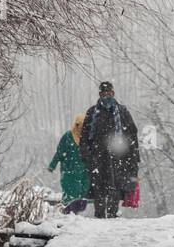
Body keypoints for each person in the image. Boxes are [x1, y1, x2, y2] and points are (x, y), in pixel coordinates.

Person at [79, 81, 139, 218]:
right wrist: (87, 155)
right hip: (97, 156)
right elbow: (84, 137)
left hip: (118, 157)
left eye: (109, 92)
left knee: (115, 186)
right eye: (103, 93)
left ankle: (112, 214)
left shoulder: (122, 112)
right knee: (98, 186)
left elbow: (132, 133)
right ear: (100, 94)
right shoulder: (93, 112)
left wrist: (131, 155)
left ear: (113, 93)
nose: (106, 95)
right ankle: (99, 215)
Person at [48, 114, 90, 214]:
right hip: (69, 172)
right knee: (70, 195)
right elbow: (59, 152)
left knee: (82, 196)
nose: (82, 128)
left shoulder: (88, 138)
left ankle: (75, 218)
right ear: (76, 125)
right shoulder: (67, 136)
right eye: (79, 125)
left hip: (83, 173)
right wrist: (52, 165)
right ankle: (66, 215)